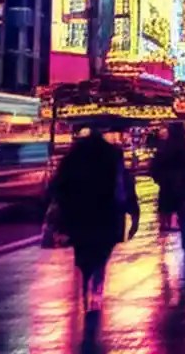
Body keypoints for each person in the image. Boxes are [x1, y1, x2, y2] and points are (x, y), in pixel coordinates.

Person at [51, 128, 140, 313]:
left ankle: (85, 285)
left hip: (79, 213)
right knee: (102, 253)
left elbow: (57, 186)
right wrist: (134, 213)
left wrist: (59, 211)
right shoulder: (113, 155)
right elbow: (124, 184)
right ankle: (96, 289)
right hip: (107, 213)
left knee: (83, 252)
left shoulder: (73, 156)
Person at [149, 122, 185, 251]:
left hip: (171, 187)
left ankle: (182, 237)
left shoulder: (165, 148)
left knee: (180, 209)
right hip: (184, 185)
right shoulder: (184, 148)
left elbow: (155, 168)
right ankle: (184, 239)